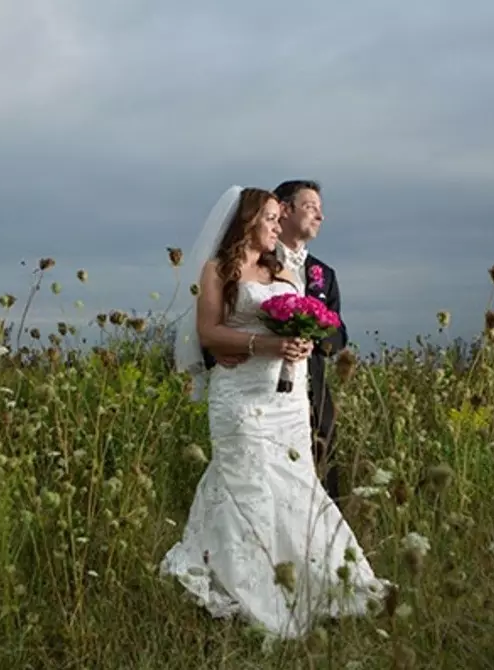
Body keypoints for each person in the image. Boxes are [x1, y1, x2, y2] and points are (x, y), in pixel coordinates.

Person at [163, 186, 385, 639]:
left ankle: (314, 579)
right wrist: (262, 344)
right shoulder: (217, 270)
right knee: (245, 481)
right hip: (240, 398)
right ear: (247, 221)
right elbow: (208, 333)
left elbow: (305, 317)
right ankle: (250, 585)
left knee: (297, 484)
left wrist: (303, 340)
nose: (274, 225)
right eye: (268, 218)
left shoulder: (281, 269)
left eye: (276, 217)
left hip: (286, 399)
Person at [204, 179, 347, 500]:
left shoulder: (320, 274)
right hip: (245, 385)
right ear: (283, 211)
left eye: (321, 209)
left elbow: (338, 330)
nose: (319, 216)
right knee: (250, 484)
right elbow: (211, 322)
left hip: (303, 391)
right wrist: (219, 348)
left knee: (310, 484)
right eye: (310, 207)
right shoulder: (232, 267)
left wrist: (310, 336)